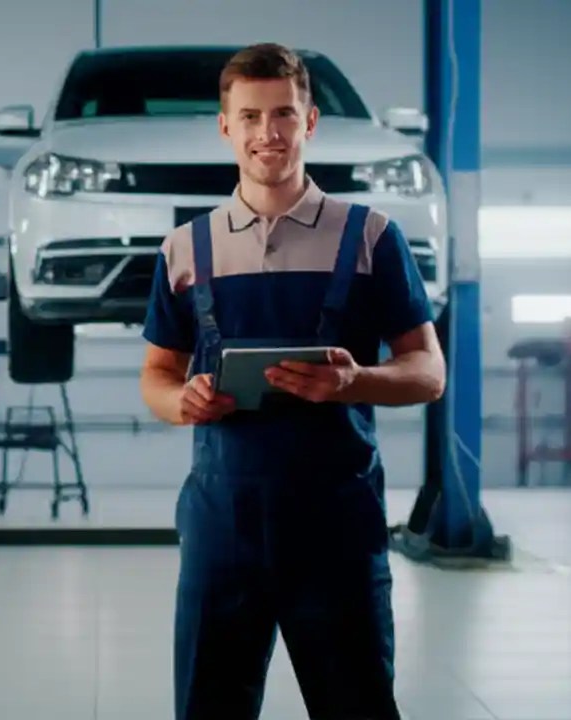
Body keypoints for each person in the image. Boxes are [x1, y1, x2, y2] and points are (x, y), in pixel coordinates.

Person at [139, 43, 447, 720]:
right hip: (223, 526)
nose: (266, 133)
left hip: (336, 524)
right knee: (209, 707)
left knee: (357, 706)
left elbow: (428, 373)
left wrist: (354, 380)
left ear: (310, 122)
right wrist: (183, 401)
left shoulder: (370, 237)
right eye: (249, 116)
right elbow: (157, 376)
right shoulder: (186, 248)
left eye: (283, 113)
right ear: (225, 126)